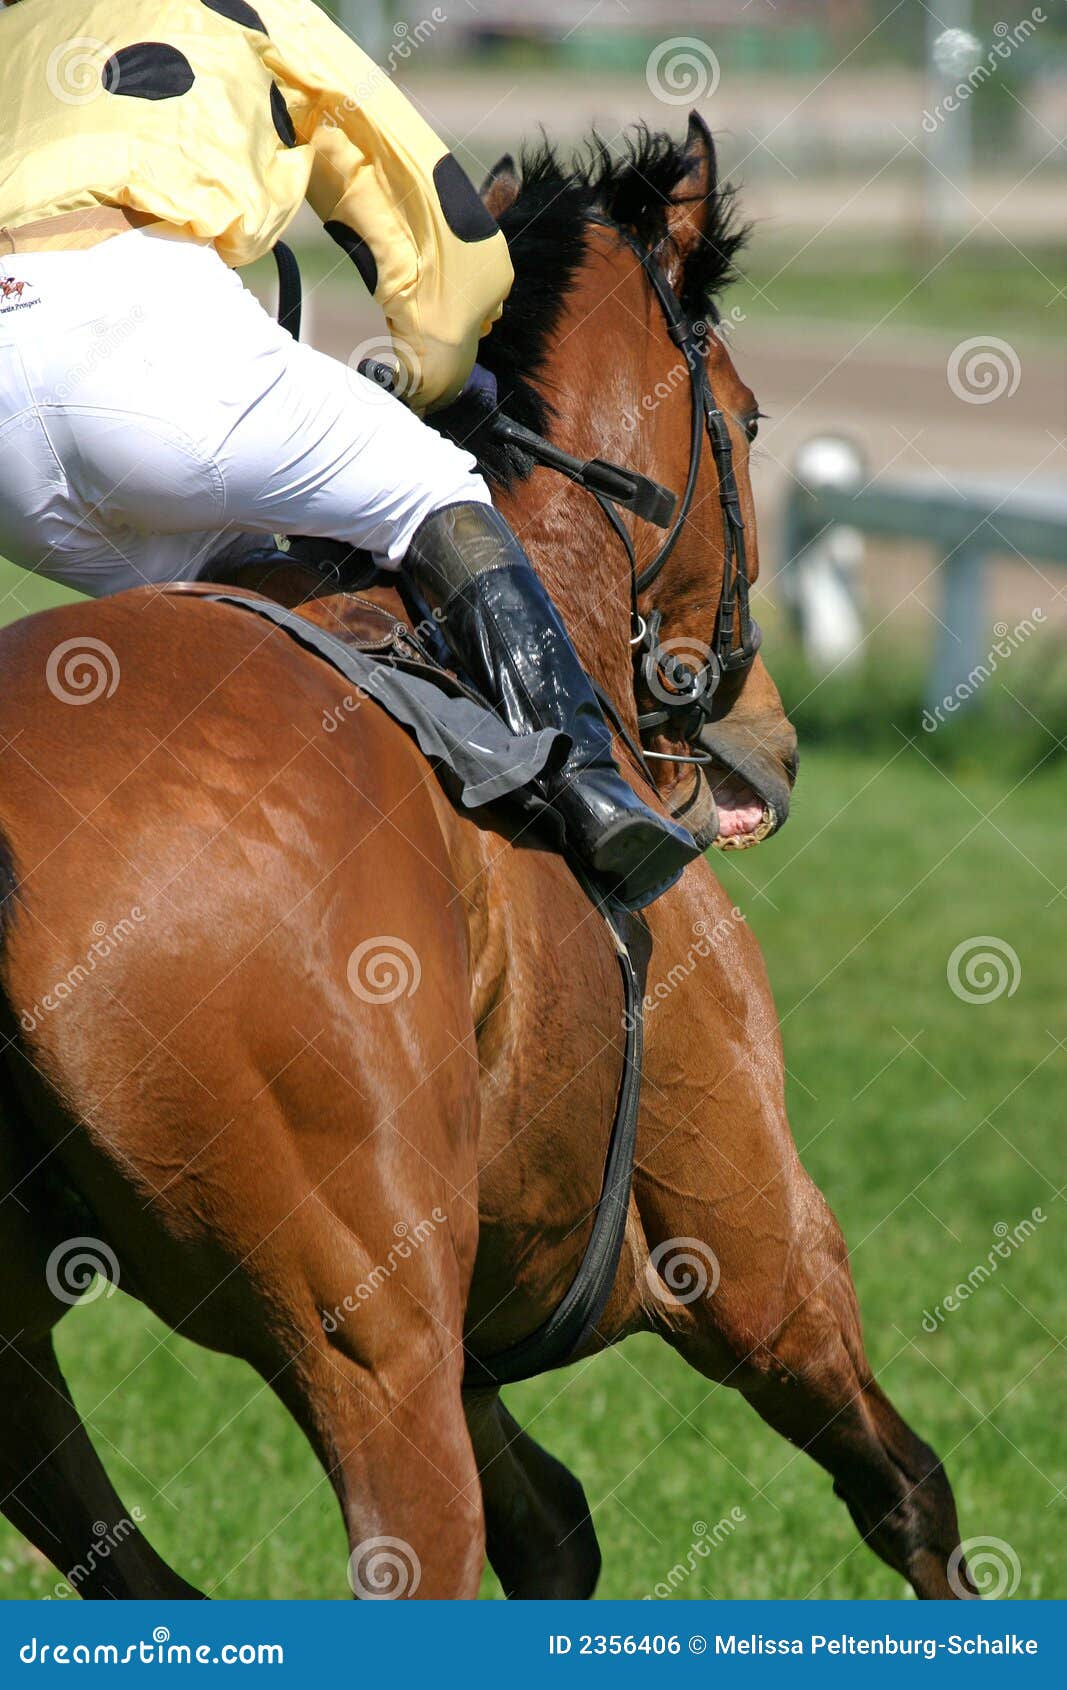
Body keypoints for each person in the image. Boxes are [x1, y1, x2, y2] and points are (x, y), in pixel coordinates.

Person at [0, 0, 698, 907]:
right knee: (430, 487)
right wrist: (435, 365)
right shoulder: (255, 11)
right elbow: (425, 208)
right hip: (132, 324)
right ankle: (586, 781)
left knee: (241, 584)